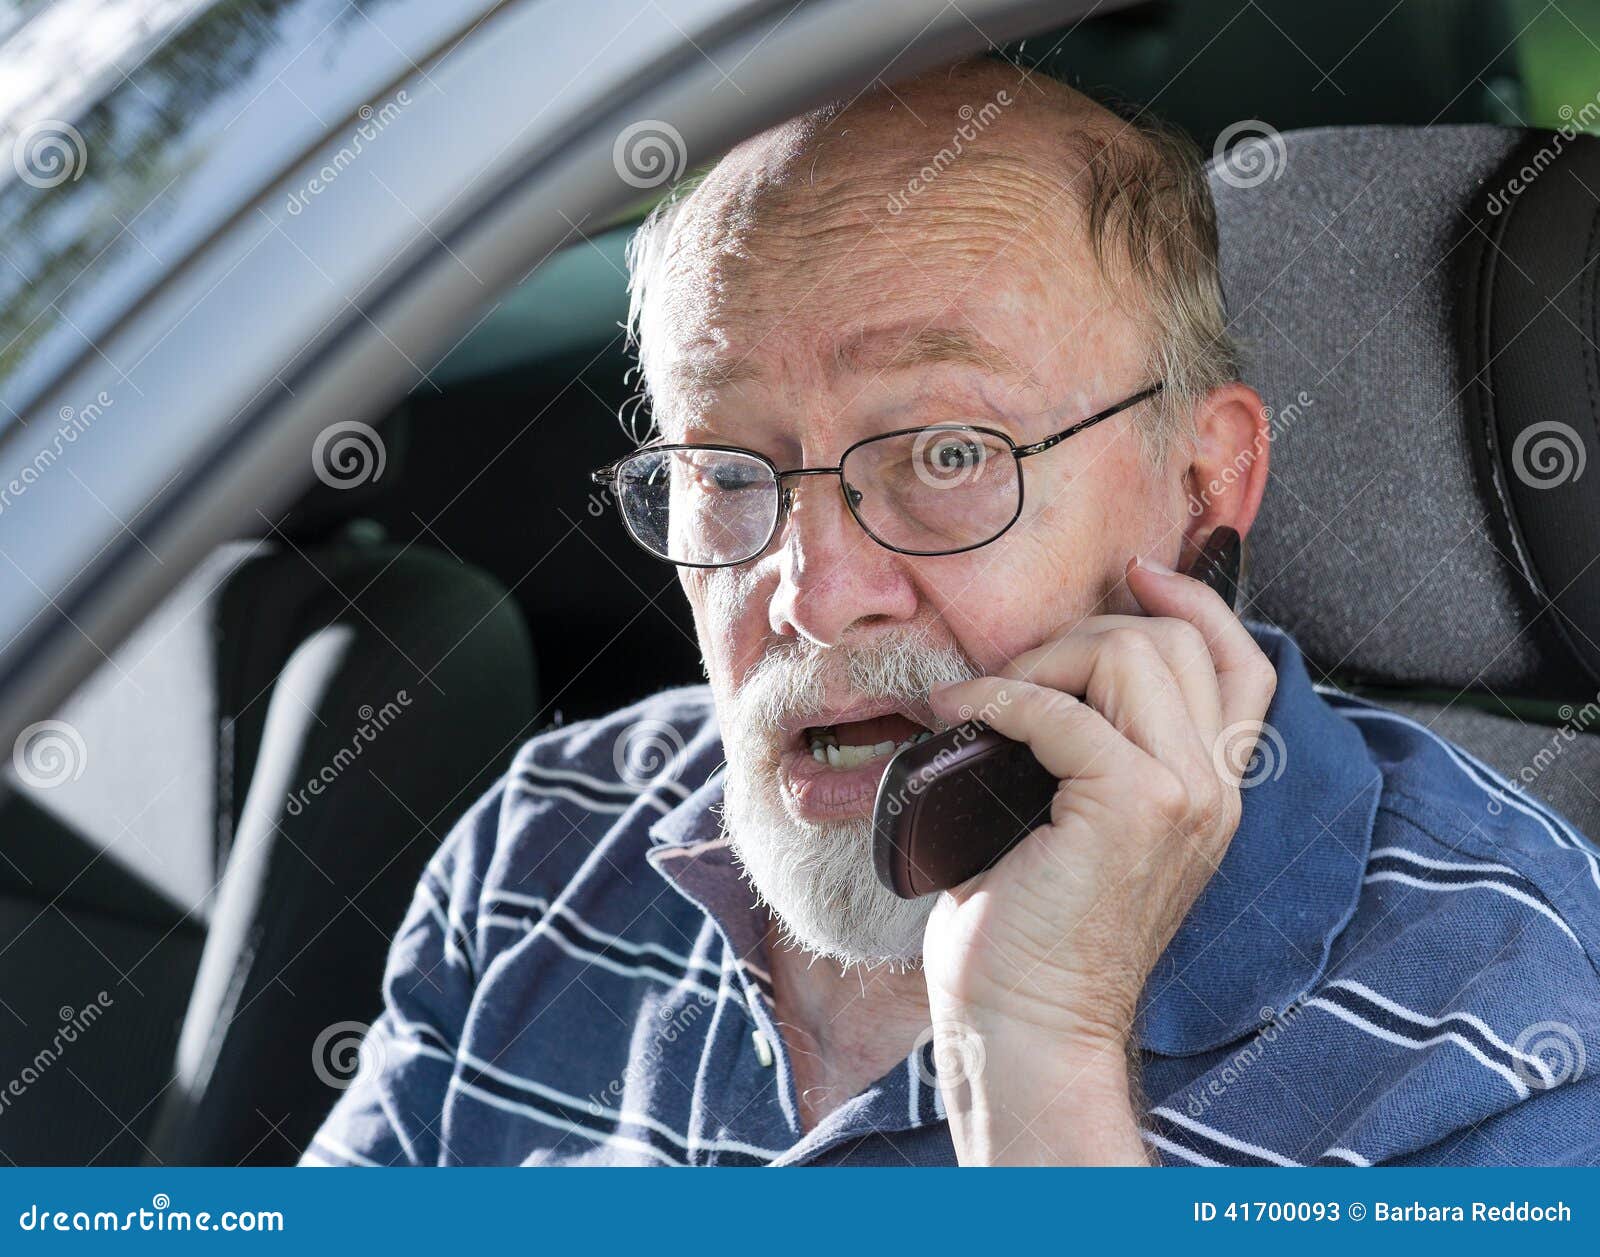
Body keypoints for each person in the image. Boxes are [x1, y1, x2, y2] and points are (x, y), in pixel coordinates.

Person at [303, 57, 1600, 1167]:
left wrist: (1033, 1056)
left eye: (946, 454)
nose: (815, 598)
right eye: (728, 473)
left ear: (1204, 482)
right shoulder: (546, 845)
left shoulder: (1499, 1013)